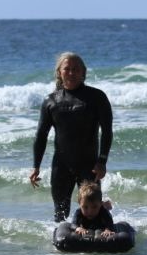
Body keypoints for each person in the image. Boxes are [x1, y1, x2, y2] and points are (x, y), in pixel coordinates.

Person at [29, 52, 113, 222]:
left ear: (83, 72)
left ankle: (104, 226)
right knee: (60, 214)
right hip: (61, 166)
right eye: (67, 69)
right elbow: (41, 135)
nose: (71, 73)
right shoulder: (51, 101)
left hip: (90, 165)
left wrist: (102, 161)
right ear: (59, 72)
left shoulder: (97, 97)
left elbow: (107, 131)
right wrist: (36, 166)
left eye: (76, 69)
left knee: (93, 211)